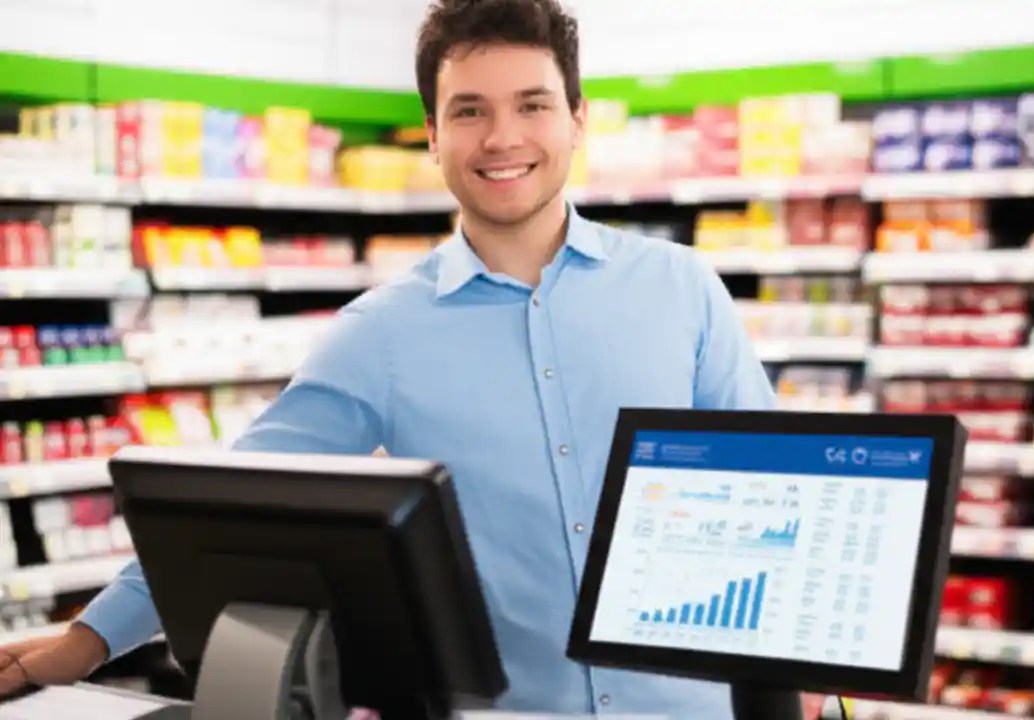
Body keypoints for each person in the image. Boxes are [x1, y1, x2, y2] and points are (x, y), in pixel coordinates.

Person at [0, 1, 827, 717]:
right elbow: (229, 512)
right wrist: (88, 638)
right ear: (432, 134)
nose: (502, 138)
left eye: (532, 104)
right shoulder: (380, 332)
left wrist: (810, 672)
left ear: (578, 117)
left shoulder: (680, 289)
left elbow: (768, 498)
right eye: (468, 111)